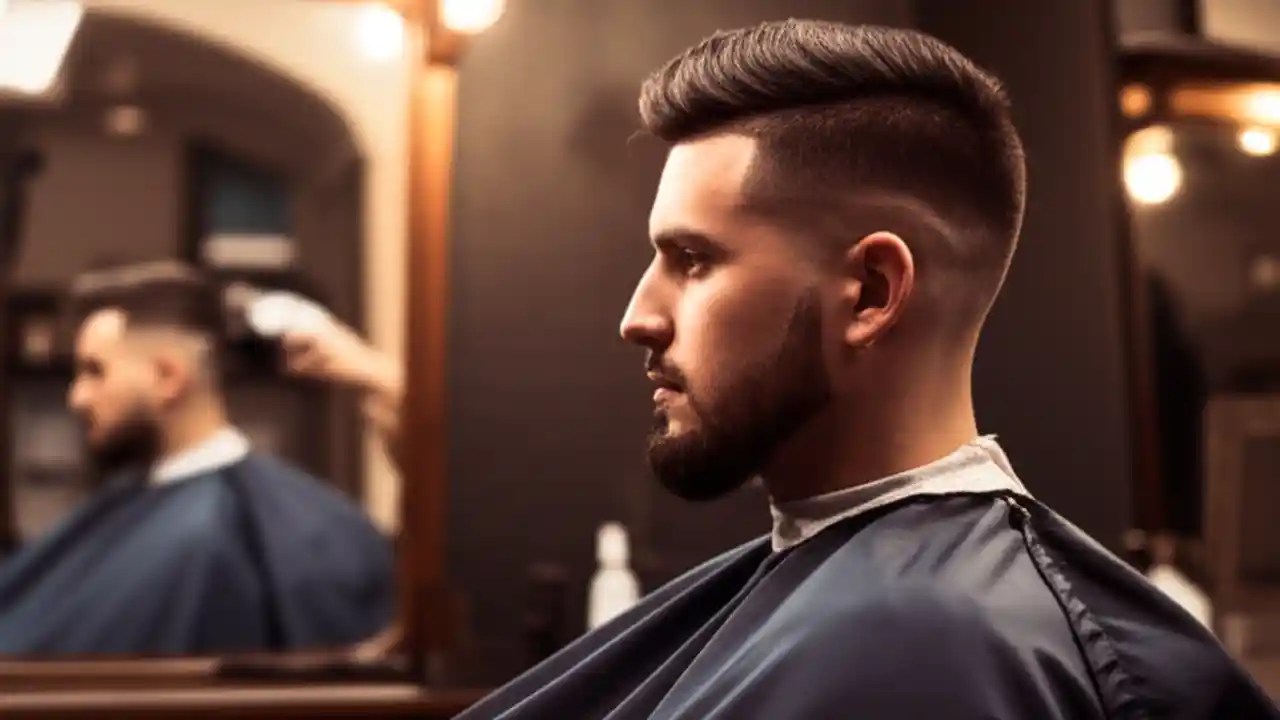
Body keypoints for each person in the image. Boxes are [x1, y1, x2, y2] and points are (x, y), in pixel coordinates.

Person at [286, 21, 1278, 718]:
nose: (637, 316)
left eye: (690, 260)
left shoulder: (927, 652)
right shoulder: (864, 593)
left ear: (869, 294)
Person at [0, 261, 396, 656]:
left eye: (95, 371)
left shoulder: (254, 536)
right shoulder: (133, 505)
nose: (77, 397)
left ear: (168, 377)